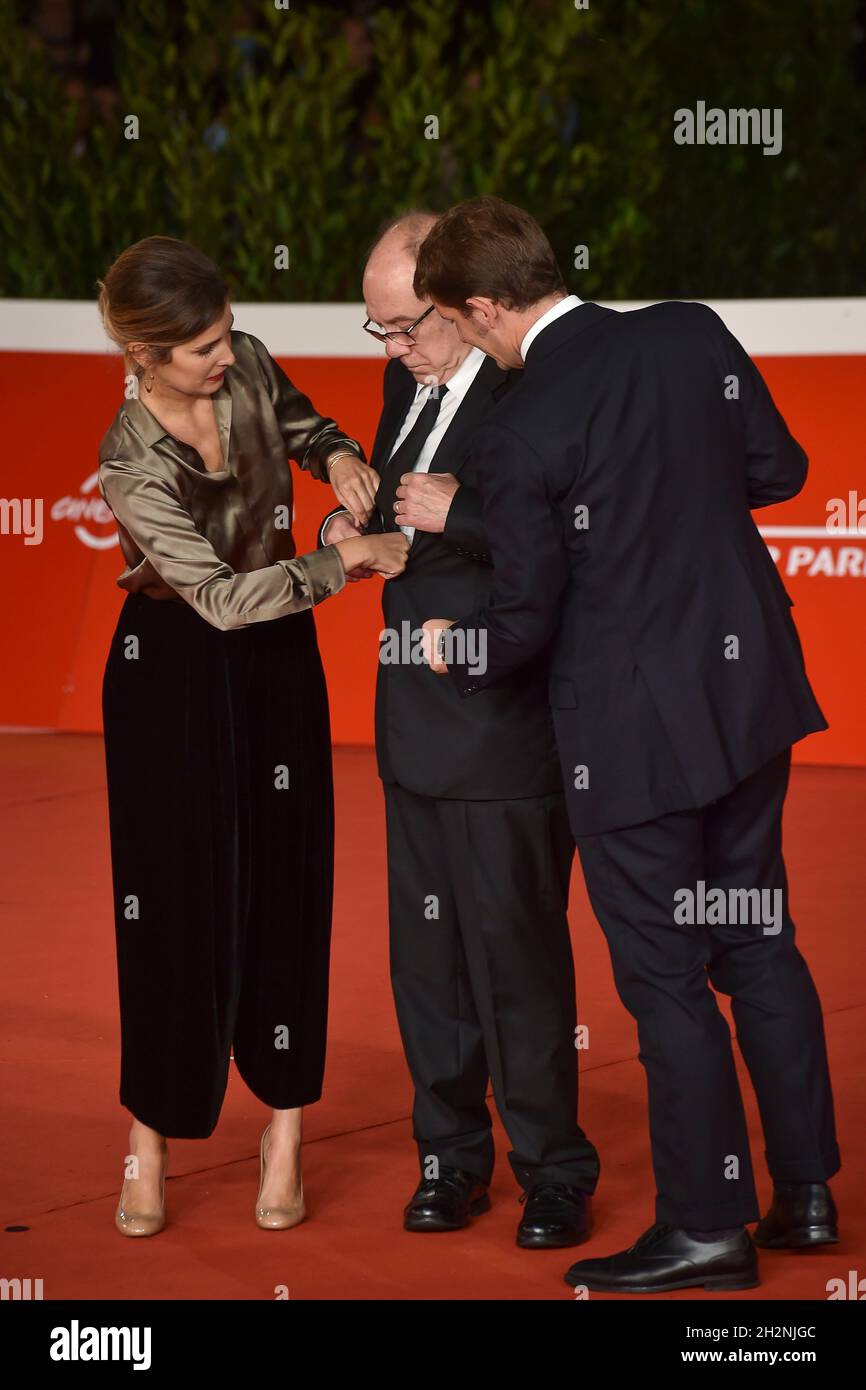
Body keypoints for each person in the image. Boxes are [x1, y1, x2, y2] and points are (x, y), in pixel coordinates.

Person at [417, 196, 840, 1294]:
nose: (460, 344)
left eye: (453, 325)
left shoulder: (515, 432)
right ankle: (801, 1193)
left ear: (479, 305)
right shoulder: (688, 329)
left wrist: (441, 645)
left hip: (629, 738)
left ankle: (704, 1228)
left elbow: (521, 626)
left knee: (664, 979)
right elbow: (778, 470)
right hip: (746, 699)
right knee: (757, 939)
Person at [97, 235, 407, 1237]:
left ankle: (283, 1127)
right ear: (145, 354)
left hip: (278, 668)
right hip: (172, 671)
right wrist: (348, 562)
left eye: (227, 335)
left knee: (287, 880)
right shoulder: (127, 456)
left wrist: (344, 458)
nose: (225, 358)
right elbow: (222, 600)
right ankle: (149, 1134)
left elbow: (304, 427)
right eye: (202, 350)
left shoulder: (250, 359)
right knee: (169, 906)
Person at [318, 212, 600, 1247]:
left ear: (455, 304)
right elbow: (404, 516)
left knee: (515, 958)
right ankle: (447, 1158)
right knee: (425, 964)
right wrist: (348, 532)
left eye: (401, 328)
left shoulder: (535, 379)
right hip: (411, 721)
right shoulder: (406, 379)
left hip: (504, 719)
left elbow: (581, 533)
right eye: (378, 330)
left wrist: (458, 519)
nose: (389, 349)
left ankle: (553, 1170)